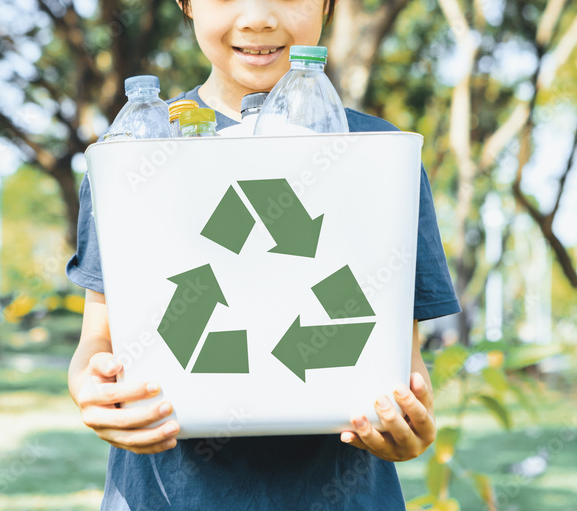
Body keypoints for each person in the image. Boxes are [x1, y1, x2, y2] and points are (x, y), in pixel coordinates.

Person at [65, 0, 461, 508]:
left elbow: (399, 363)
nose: (257, 17)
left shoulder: (379, 156)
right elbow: (99, 337)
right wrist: (89, 391)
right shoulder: (137, 150)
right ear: (185, 4)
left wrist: (408, 426)